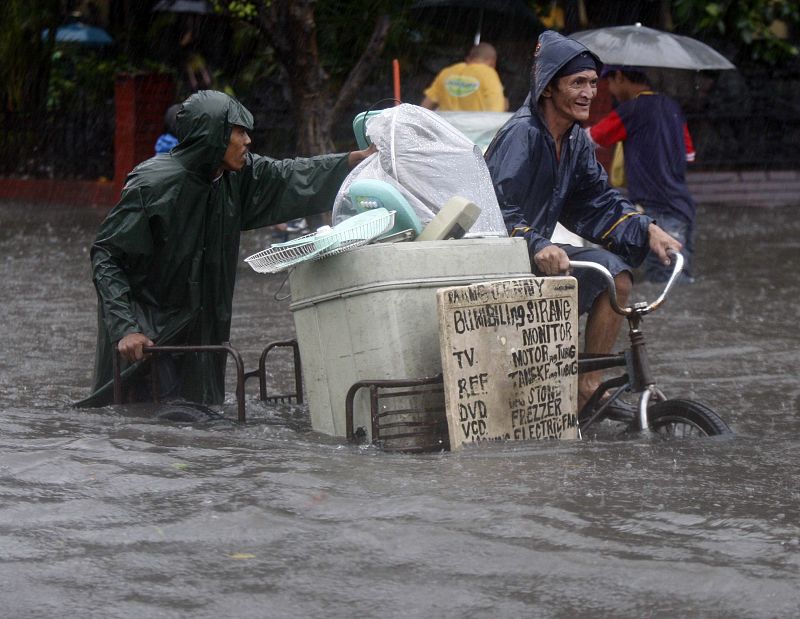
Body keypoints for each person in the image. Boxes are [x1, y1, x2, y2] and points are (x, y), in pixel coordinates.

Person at [77, 90, 374, 408]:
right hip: (147, 338)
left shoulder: (236, 178)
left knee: (198, 420)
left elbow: (290, 177)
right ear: (212, 135)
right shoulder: (153, 186)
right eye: (239, 131)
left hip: (202, 332)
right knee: (151, 424)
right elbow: (107, 255)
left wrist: (351, 162)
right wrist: (126, 329)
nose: (247, 141)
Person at [484, 31, 682, 413]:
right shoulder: (522, 135)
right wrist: (537, 244)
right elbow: (496, 210)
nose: (589, 92)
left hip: (539, 254)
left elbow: (597, 203)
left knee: (617, 277)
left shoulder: (575, 141)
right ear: (547, 89)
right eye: (577, 82)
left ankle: (586, 382)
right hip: (502, 256)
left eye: (593, 83)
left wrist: (648, 229)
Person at [588, 66, 697, 283]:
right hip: (683, 208)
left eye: (608, 82)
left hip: (656, 210)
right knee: (677, 280)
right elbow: (689, 155)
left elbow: (591, 139)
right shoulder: (671, 106)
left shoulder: (633, 109)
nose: (609, 90)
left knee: (662, 282)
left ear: (619, 77)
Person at [421, 42, 508, 112]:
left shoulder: (447, 72)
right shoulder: (488, 73)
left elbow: (426, 104)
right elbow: (496, 111)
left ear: (469, 58)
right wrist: (504, 104)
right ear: (493, 61)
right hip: (473, 132)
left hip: (445, 130)